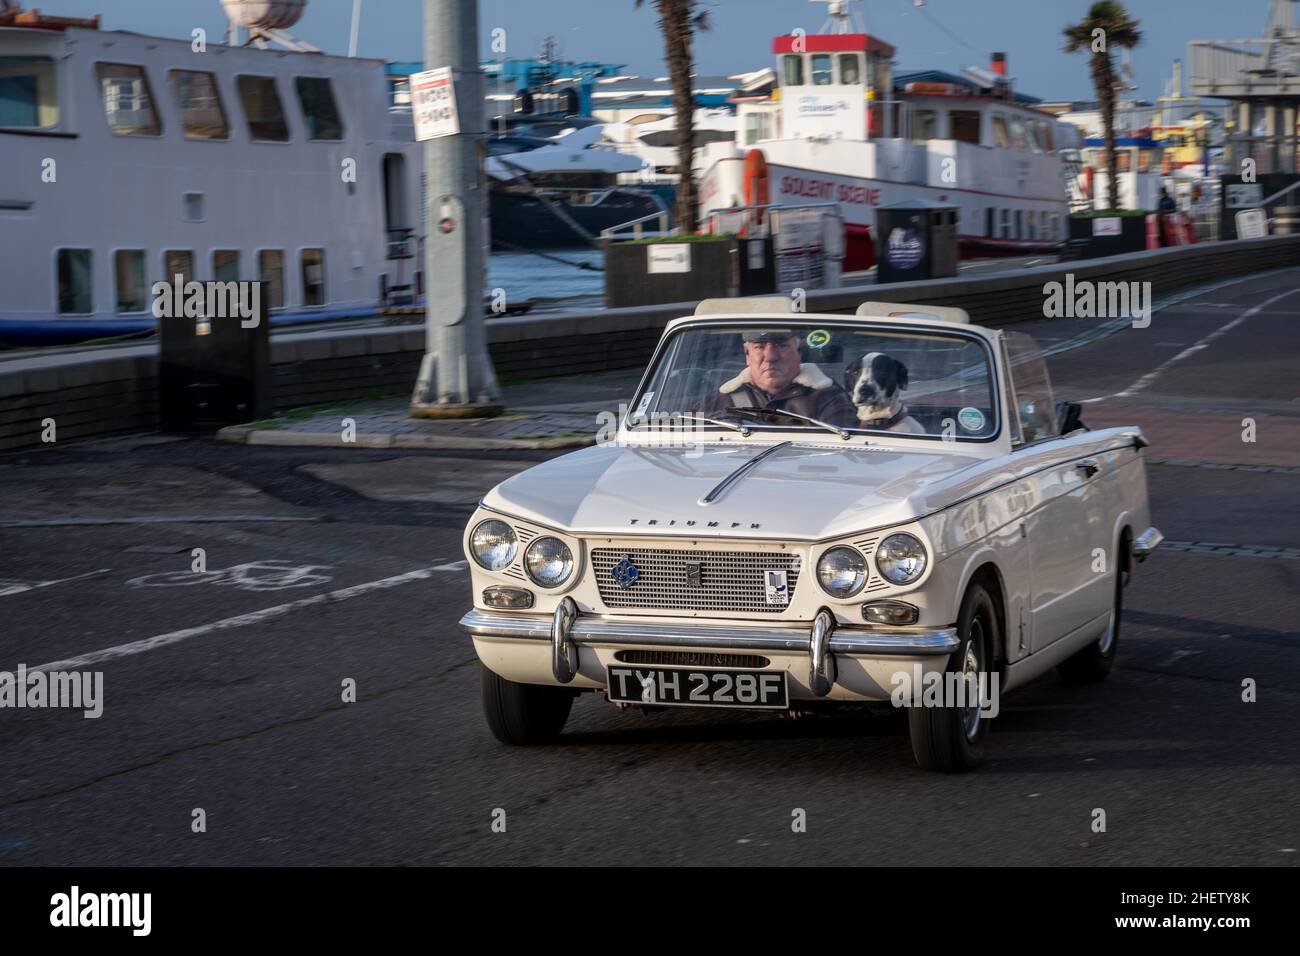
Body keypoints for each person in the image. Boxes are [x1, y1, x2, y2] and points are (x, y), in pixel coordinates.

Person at [695, 329, 858, 428]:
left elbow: (838, 457)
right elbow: (682, 441)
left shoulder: (829, 398)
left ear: (799, 352)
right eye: (759, 347)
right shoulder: (719, 400)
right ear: (747, 355)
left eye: (782, 345)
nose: (771, 357)